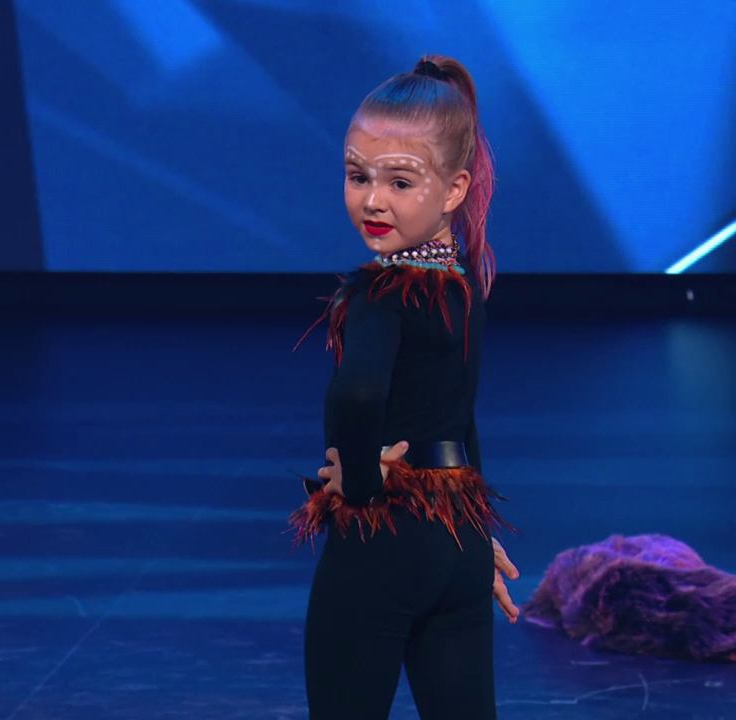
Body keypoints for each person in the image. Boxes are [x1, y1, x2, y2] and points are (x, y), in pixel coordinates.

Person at [288, 55, 518, 720]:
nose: (372, 200)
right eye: (357, 175)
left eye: (399, 181)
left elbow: (358, 395)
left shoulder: (379, 293)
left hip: (383, 540)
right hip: (457, 540)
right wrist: (473, 536)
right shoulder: (463, 284)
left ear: (453, 189)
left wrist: (361, 486)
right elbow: (460, 414)